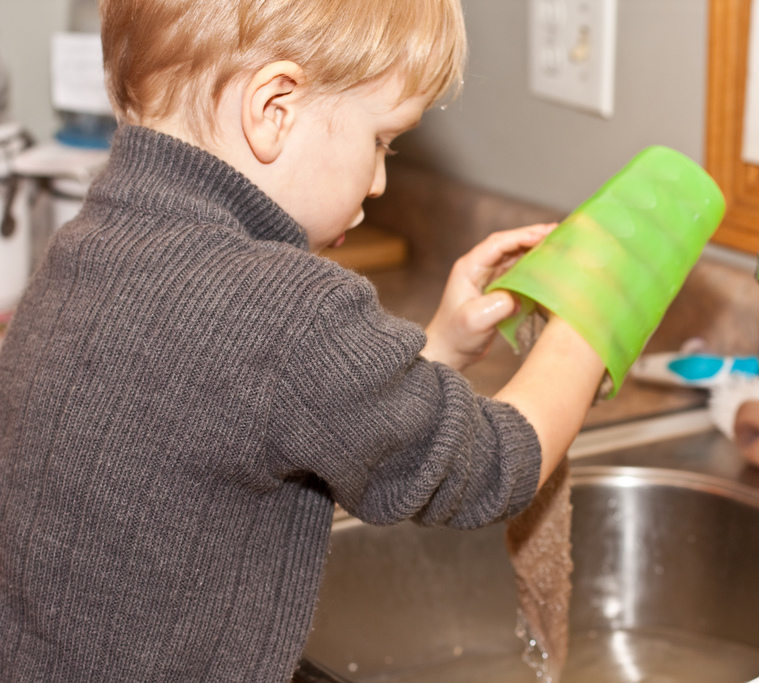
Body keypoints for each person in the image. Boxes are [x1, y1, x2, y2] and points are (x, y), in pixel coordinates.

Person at [0, 0, 606, 680]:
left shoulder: (85, 247)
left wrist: (439, 346)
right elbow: (491, 467)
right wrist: (588, 323)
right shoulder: (291, 309)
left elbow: (290, 418)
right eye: (381, 139)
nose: (379, 180)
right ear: (274, 109)